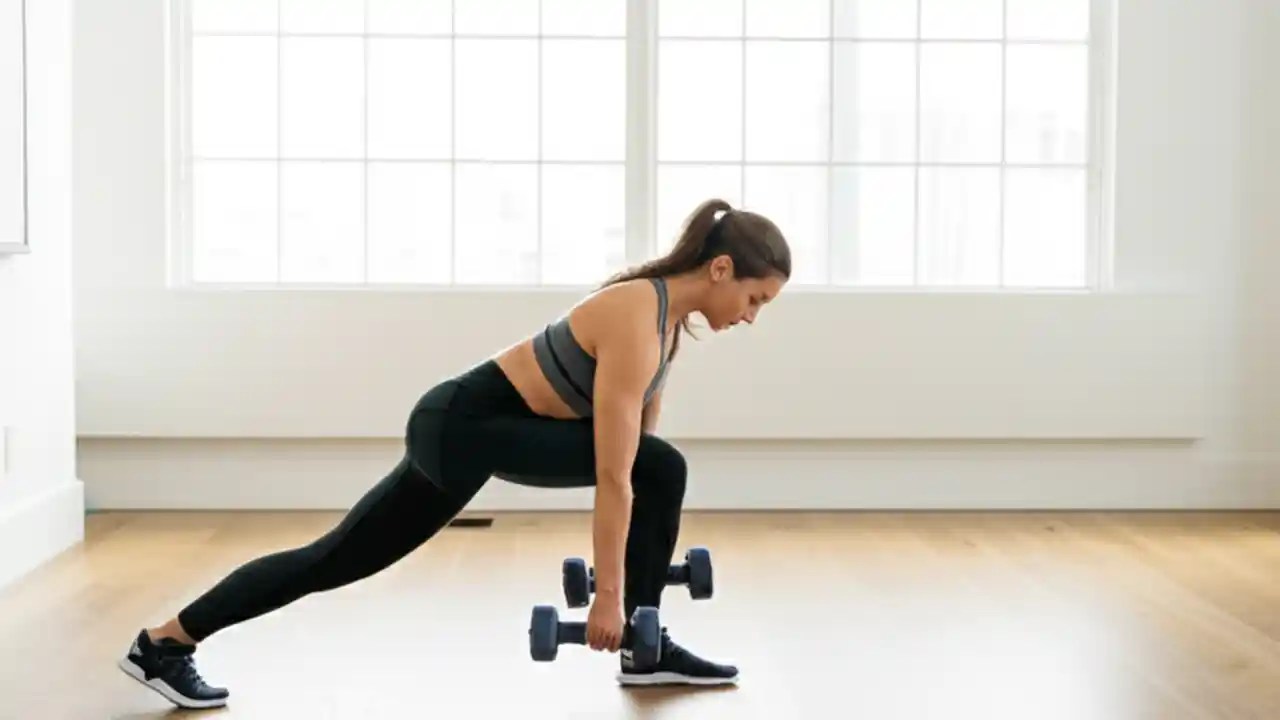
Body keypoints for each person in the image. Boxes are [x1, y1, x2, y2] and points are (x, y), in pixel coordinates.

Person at [117, 198, 791, 709]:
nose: (753, 316)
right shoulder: (636, 316)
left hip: (468, 428)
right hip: (463, 424)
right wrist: (607, 601)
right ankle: (643, 641)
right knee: (658, 465)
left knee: (331, 558)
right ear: (722, 268)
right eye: (755, 298)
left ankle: (164, 643)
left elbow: (639, 466)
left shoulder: (668, 328)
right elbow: (617, 476)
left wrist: (630, 593)